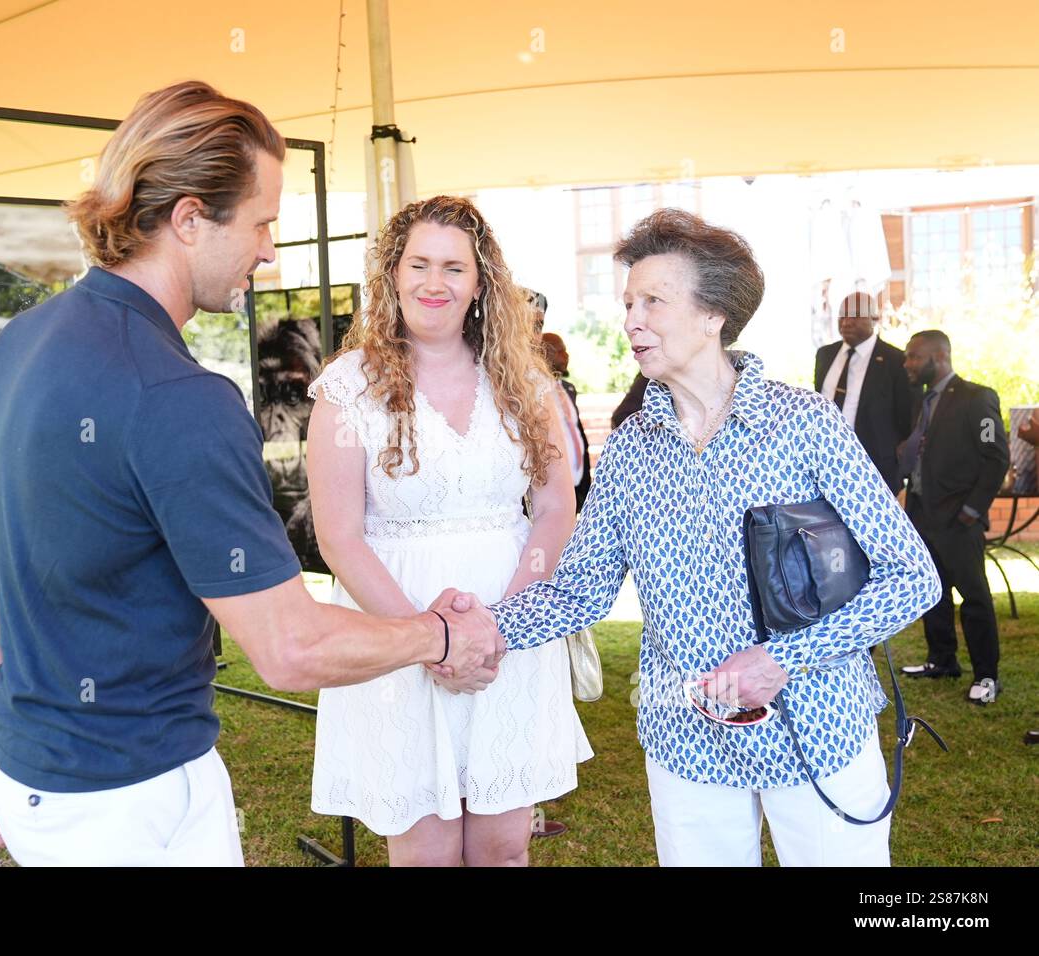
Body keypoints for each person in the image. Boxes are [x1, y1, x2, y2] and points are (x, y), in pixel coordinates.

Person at [0, 82, 500, 867]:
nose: (269, 250)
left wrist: (2, 738)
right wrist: (443, 634)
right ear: (188, 218)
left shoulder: (18, 344)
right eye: (260, 223)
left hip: (34, 778)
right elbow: (289, 647)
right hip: (134, 801)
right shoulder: (181, 398)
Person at [462, 208, 941, 866]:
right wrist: (480, 629)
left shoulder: (802, 422)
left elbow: (911, 576)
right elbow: (578, 592)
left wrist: (779, 662)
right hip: (685, 740)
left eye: (653, 301)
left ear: (714, 314)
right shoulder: (631, 449)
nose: (631, 319)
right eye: (629, 302)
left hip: (820, 724)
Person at [306, 195, 592, 867]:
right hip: (396, 633)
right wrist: (428, 642)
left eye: (454, 268)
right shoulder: (348, 386)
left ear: (480, 280)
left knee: (503, 850)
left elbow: (554, 506)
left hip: (509, 634)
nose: (435, 283)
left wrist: (503, 625)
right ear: (393, 274)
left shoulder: (524, 379)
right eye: (419, 264)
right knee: (423, 854)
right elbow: (338, 534)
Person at [898, 330, 1010, 704]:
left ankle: (987, 676)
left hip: (959, 519)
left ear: (939, 357)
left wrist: (971, 510)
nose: (907, 364)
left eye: (914, 357)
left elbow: (996, 457)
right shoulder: (921, 400)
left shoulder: (977, 398)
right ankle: (942, 660)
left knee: (974, 596)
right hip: (921, 516)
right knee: (934, 592)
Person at [814, 291, 914, 493]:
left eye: (855, 315)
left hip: (874, 467)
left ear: (875, 319)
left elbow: (908, 415)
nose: (846, 322)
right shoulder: (825, 355)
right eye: (843, 315)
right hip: (824, 463)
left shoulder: (895, 360)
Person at [541, 331, 592, 512]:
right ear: (543, 353)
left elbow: (576, 432)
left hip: (579, 482)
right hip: (555, 487)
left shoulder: (568, 389)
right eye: (560, 351)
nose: (566, 356)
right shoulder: (536, 392)